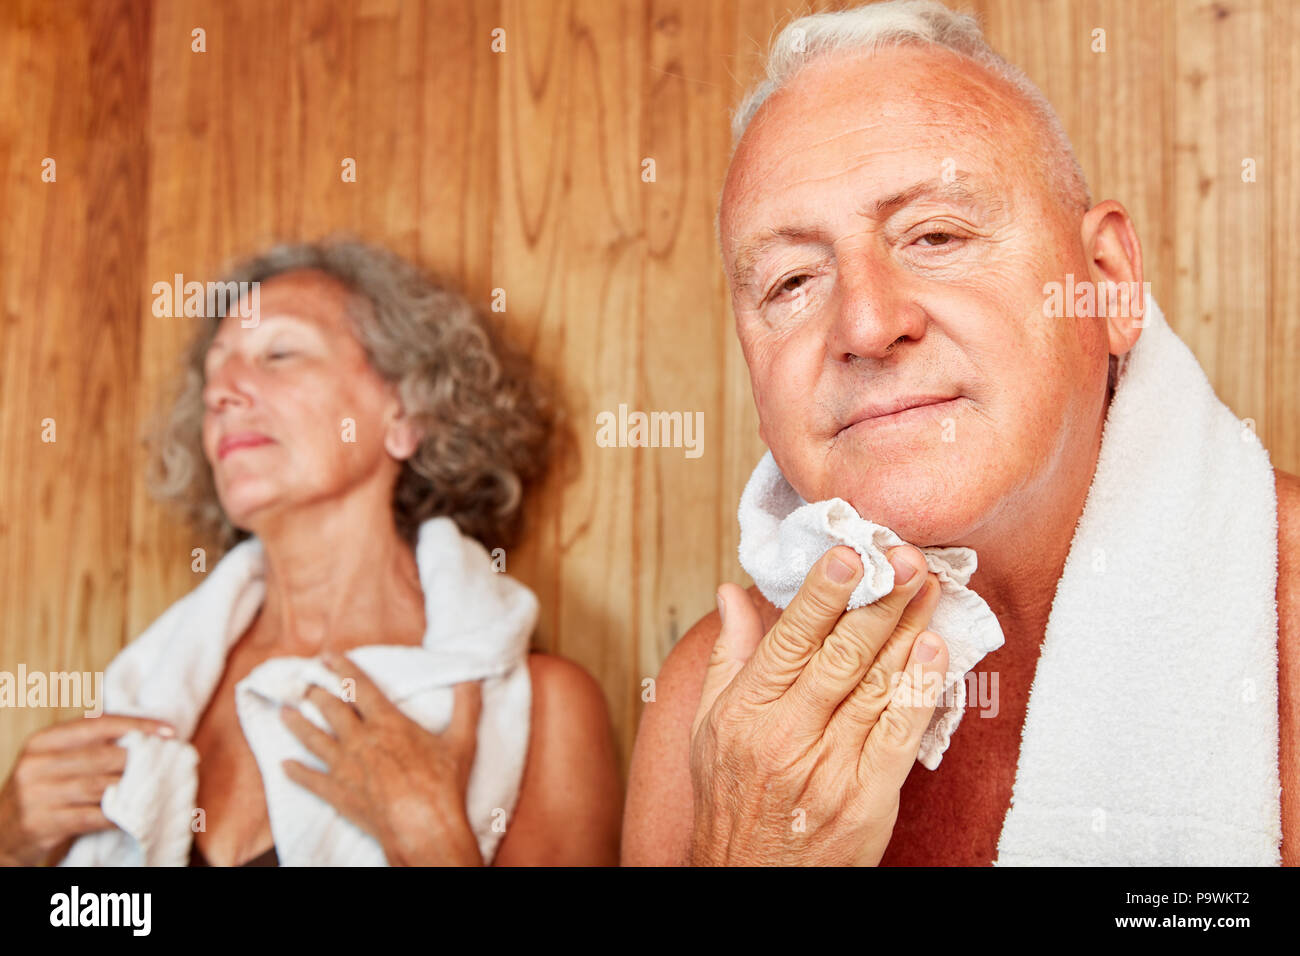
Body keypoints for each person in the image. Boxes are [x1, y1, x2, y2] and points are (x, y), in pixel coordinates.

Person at [623, 0, 1299, 865]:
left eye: (936, 235)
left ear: (1109, 282)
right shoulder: (718, 704)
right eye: (792, 281)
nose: (865, 325)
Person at [0, 239, 621, 866]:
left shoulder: (545, 708)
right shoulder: (150, 696)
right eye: (214, 373)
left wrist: (433, 841)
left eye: (279, 353)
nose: (222, 393)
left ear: (408, 411)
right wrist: (13, 846)